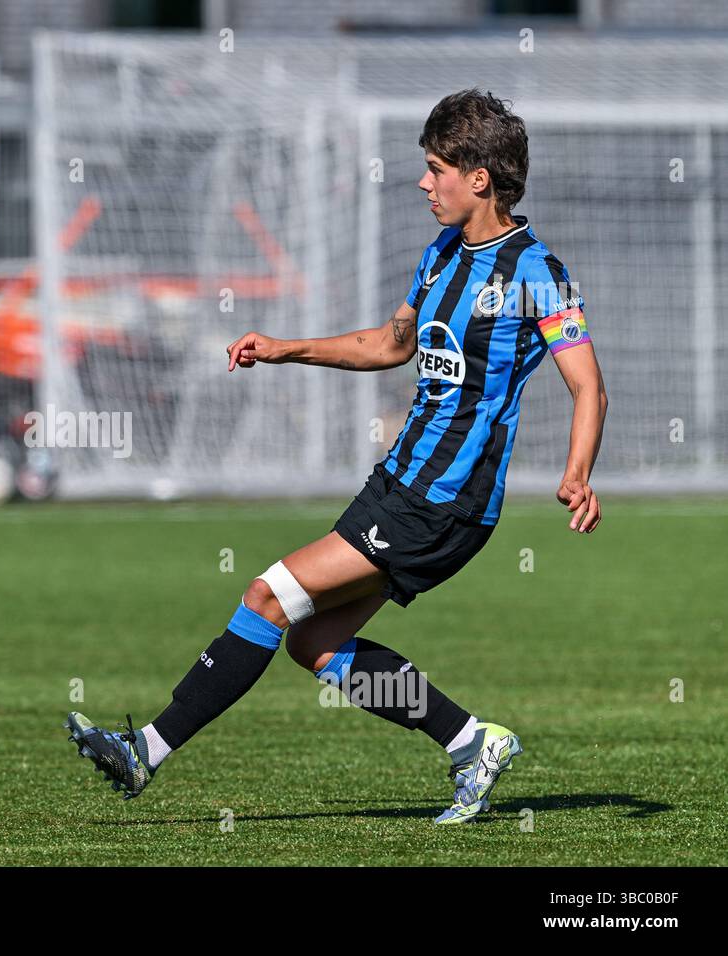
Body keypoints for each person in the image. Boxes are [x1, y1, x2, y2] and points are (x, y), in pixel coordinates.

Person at [66, 89, 607, 824]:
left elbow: (588, 388)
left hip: (444, 501)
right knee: (316, 644)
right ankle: (471, 740)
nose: (424, 182)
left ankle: (146, 752)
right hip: (398, 484)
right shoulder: (442, 252)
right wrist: (287, 348)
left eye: (435, 168)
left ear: (479, 177)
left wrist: (576, 476)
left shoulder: (538, 270)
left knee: (266, 595)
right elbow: (391, 344)